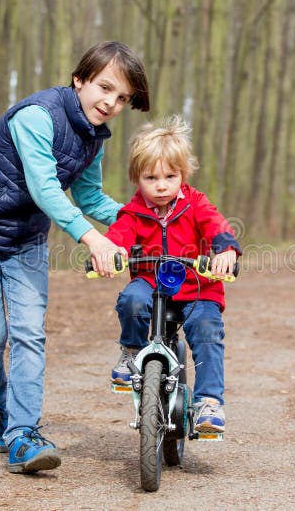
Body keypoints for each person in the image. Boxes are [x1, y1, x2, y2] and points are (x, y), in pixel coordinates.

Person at [0, 41, 150, 473]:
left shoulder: (94, 137)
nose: (110, 103)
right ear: (80, 79)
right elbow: (44, 188)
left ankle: (22, 436)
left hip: (26, 242)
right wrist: (92, 240)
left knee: (28, 335)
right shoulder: (36, 117)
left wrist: (146, 218)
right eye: (104, 88)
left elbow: (90, 195)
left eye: (122, 98)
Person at [104, 115, 241, 434]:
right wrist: (112, 252)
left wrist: (225, 251)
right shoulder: (134, 211)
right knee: (131, 301)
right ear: (136, 178)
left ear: (183, 174)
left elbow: (216, 225)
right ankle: (132, 353)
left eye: (170, 176)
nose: (161, 185)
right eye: (151, 177)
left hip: (197, 288)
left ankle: (208, 402)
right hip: (151, 285)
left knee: (207, 328)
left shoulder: (196, 204)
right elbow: (119, 234)